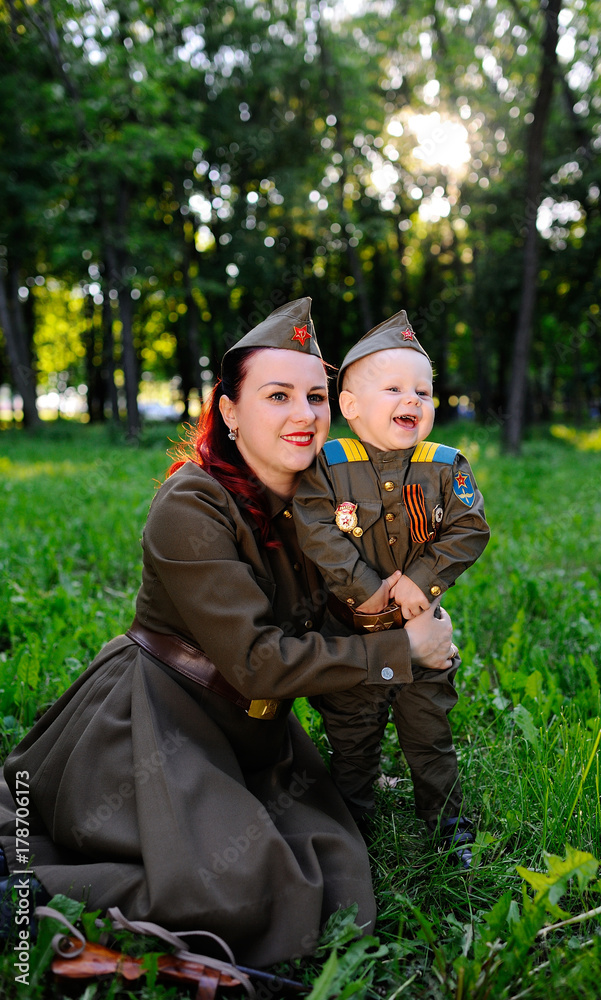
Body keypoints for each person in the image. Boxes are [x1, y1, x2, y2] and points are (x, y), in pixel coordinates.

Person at [0, 298, 458, 968]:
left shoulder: (321, 503)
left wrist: (413, 618)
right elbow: (255, 662)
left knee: (338, 867)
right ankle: (29, 895)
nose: (304, 416)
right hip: (159, 720)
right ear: (230, 412)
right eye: (278, 396)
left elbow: (339, 630)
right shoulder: (190, 504)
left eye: (315, 396)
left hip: (256, 733)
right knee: (237, 894)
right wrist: (402, 653)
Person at [292, 311, 490, 864]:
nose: (414, 400)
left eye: (423, 391)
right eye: (396, 388)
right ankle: (352, 819)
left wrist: (421, 582)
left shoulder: (445, 467)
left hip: (421, 634)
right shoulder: (328, 465)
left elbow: (469, 527)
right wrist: (367, 587)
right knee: (352, 733)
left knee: (429, 734)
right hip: (351, 632)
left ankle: (447, 822)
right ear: (351, 407)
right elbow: (314, 526)